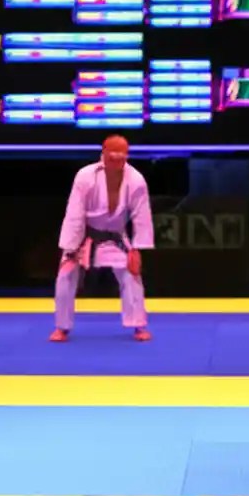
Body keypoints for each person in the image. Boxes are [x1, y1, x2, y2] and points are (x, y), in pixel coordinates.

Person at [50, 135, 154, 343]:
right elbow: (75, 213)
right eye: (113, 154)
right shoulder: (85, 176)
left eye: (121, 155)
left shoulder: (135, 179)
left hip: (115, 235)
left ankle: (138, 325)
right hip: (85, 236)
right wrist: (71, 248)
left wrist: (137, 248)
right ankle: (62, 327)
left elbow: (141, 215)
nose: (117, 159)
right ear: (103, 153)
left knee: (131, 275)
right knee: (65, 276)